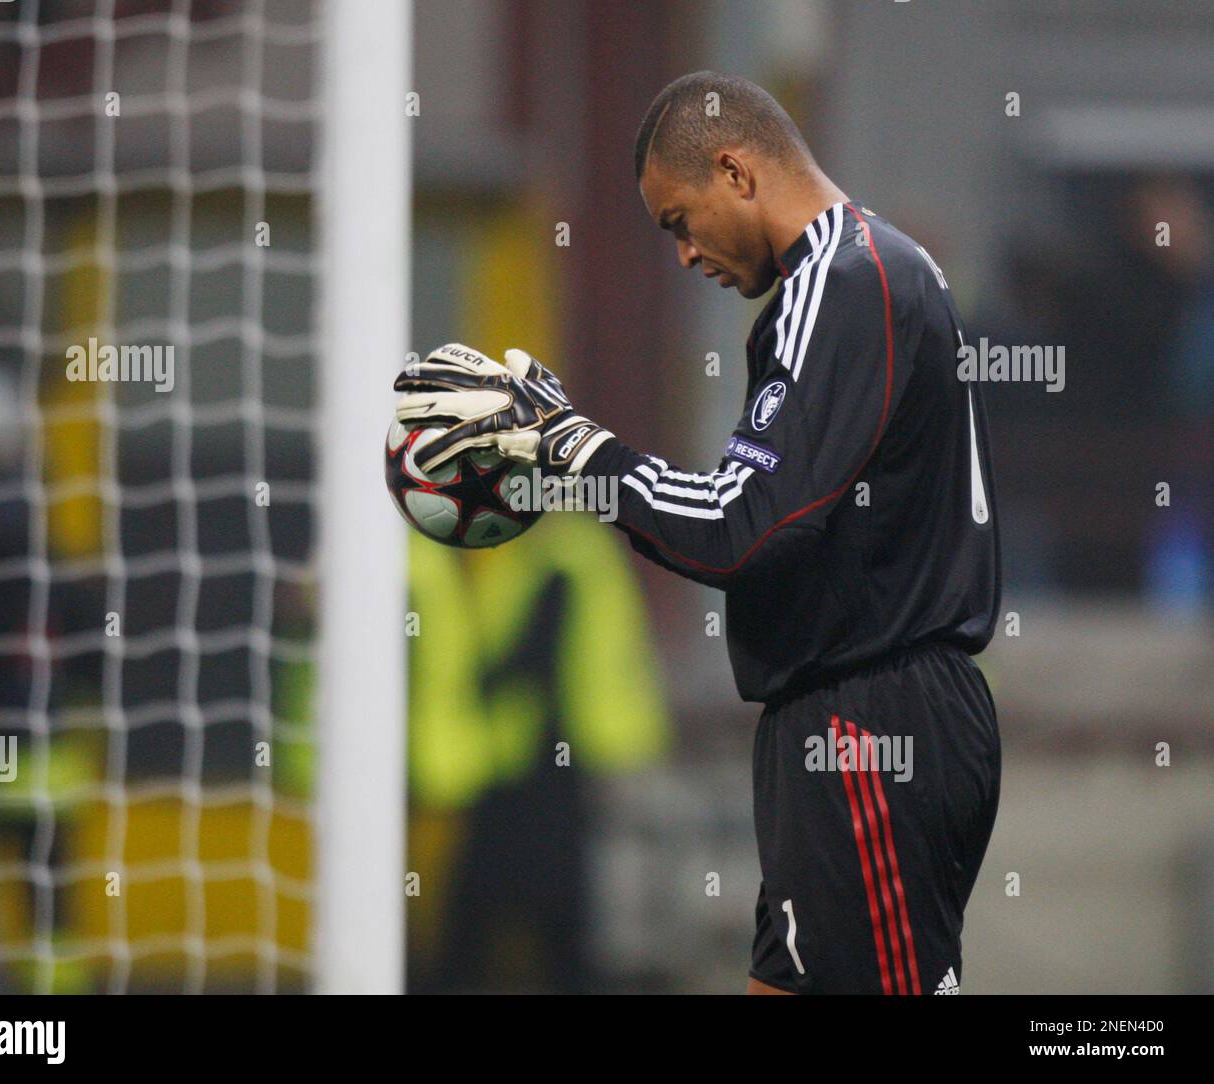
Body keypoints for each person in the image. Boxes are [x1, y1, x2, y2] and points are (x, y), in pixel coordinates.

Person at [393, 71, 1001, 995]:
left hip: (871, 728)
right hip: (843, 723)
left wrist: (575, 447)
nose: (682, 255)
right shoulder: (850, 279)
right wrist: (581, 455)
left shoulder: (843, 282)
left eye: (678, 220)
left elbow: (738, 529)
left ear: (735, 171)